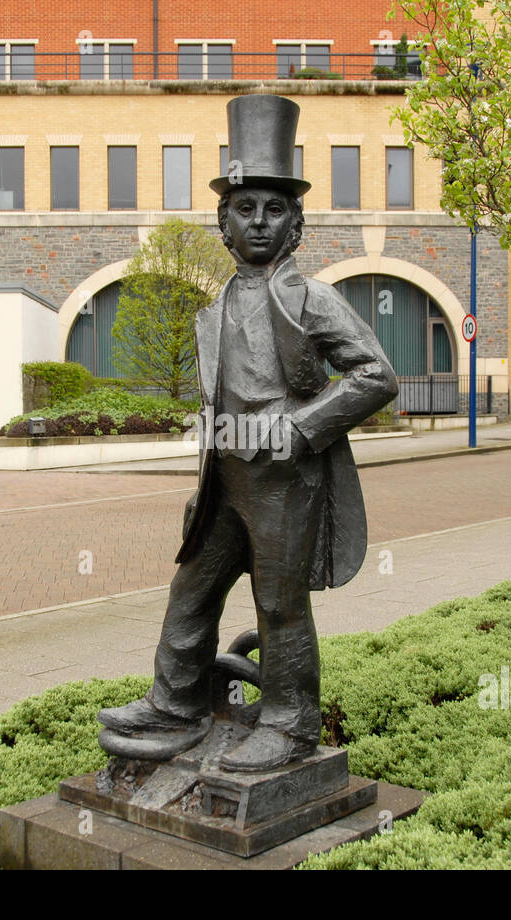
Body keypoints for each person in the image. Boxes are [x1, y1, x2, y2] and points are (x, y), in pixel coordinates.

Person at [98, 95, 398, 772]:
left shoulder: (313, 299)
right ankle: (176, 704)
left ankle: (290, 726)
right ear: (222, 222)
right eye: (245, 208)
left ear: (297, 223)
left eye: (274, 209)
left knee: (277, 601)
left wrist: (301, 427)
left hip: (284, 480)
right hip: (226, 478)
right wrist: (203, 473)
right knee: (191, 590)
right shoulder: (213, 311)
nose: (259, 222)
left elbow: (375, 377)